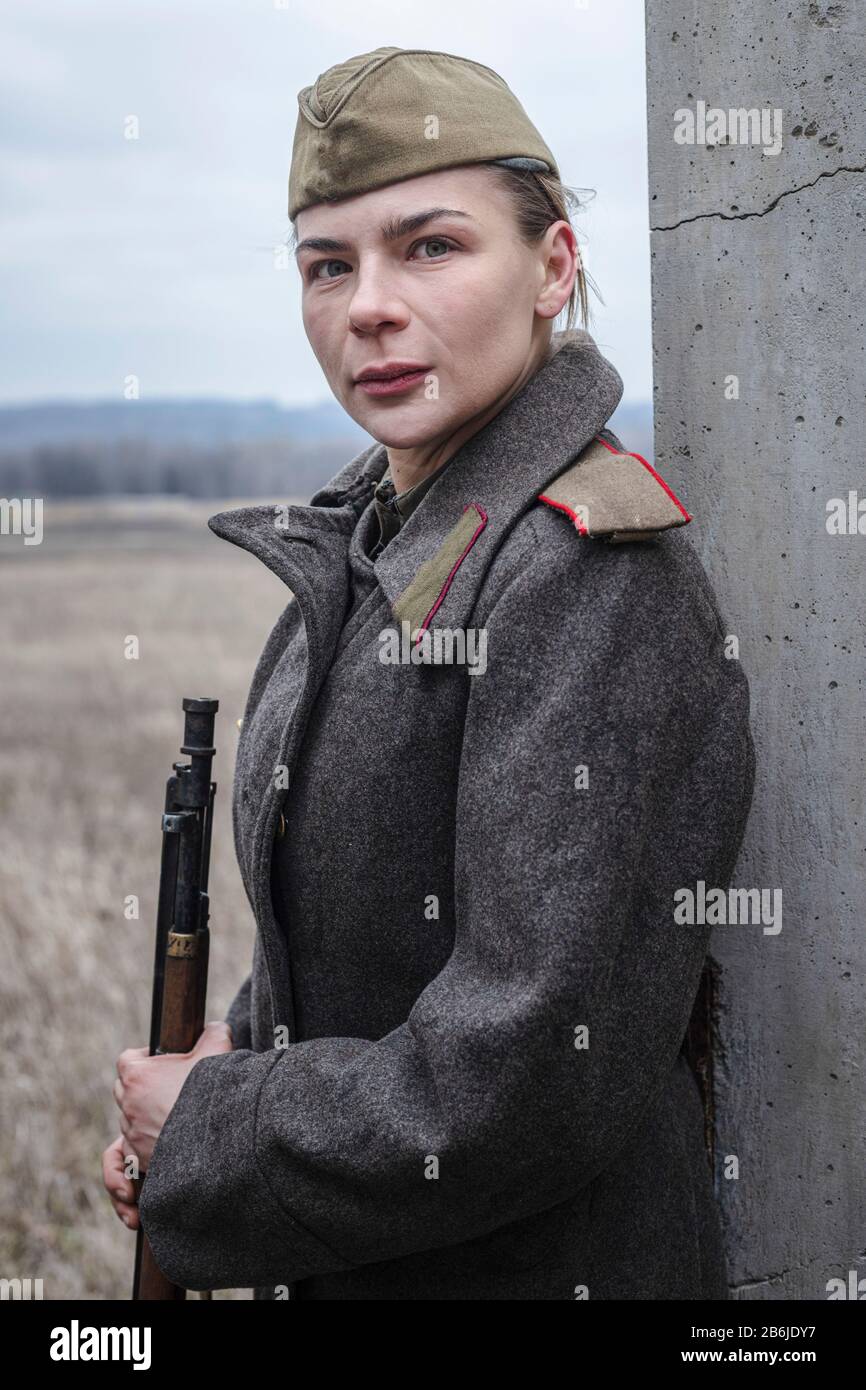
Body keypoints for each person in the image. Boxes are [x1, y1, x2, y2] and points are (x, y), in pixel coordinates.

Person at [104, 45, 756, 1300]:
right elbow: (353, 929)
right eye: (326, 266)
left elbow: (524, 1077)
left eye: (431, 248)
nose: (367, 308)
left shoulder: (582, 574)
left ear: (552, 268)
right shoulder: (368, 547)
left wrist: (226, 1131)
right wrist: (215, 1079)